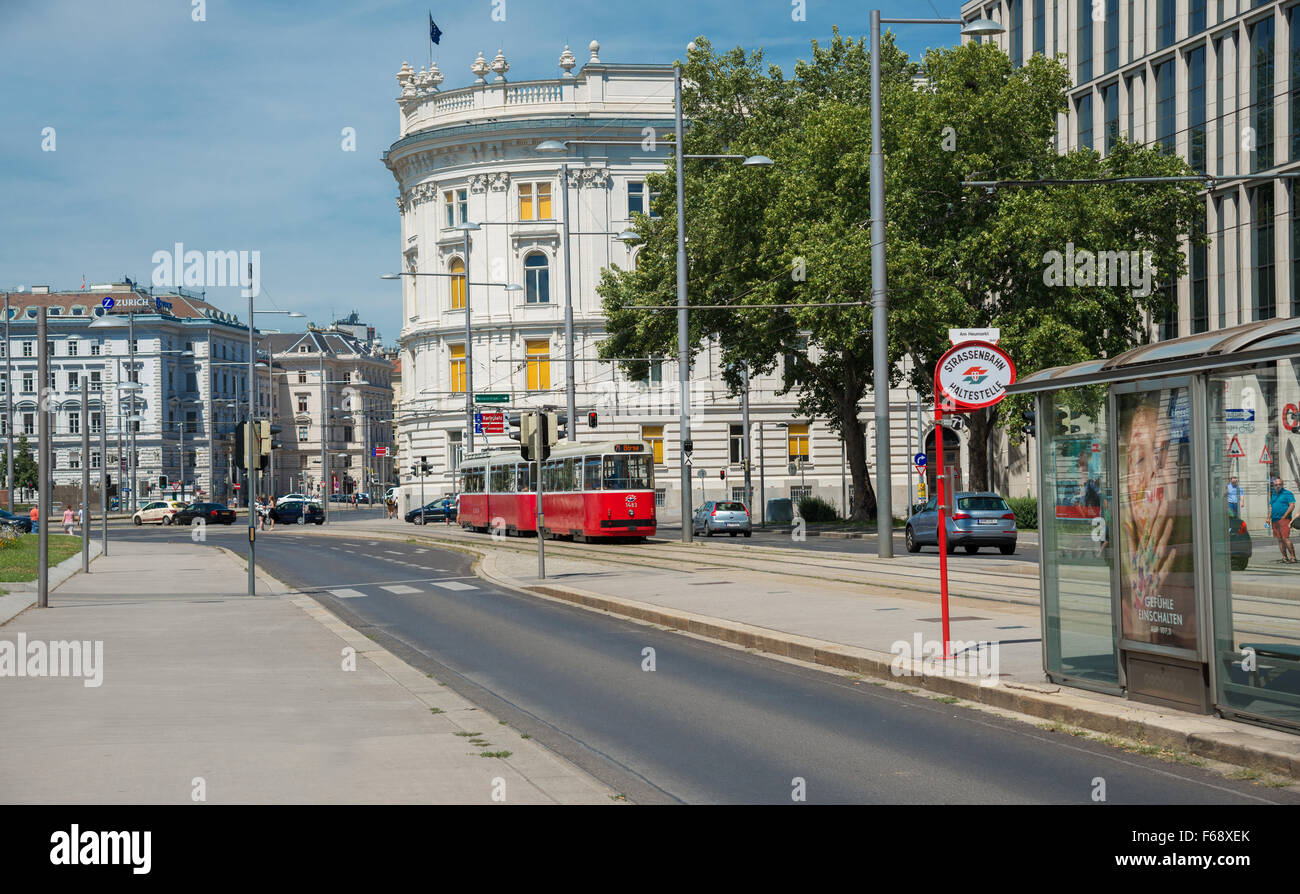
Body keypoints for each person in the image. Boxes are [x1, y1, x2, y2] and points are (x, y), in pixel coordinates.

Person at [1268, 477, 1296, 564]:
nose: (1278, 486)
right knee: (1279, 539)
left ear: (1282, 484)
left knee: (1285, 538)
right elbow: (1271, 507)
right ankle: (1284, 557)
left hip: (1284, 519)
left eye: (1280, 484)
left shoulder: (1287, 493)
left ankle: (1293, 557)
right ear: (1273, 485)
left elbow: (1292, 505)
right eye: (1276, 484)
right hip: (1275, 520)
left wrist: (1285, 515)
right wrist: (1268, 518)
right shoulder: (1274, 494)